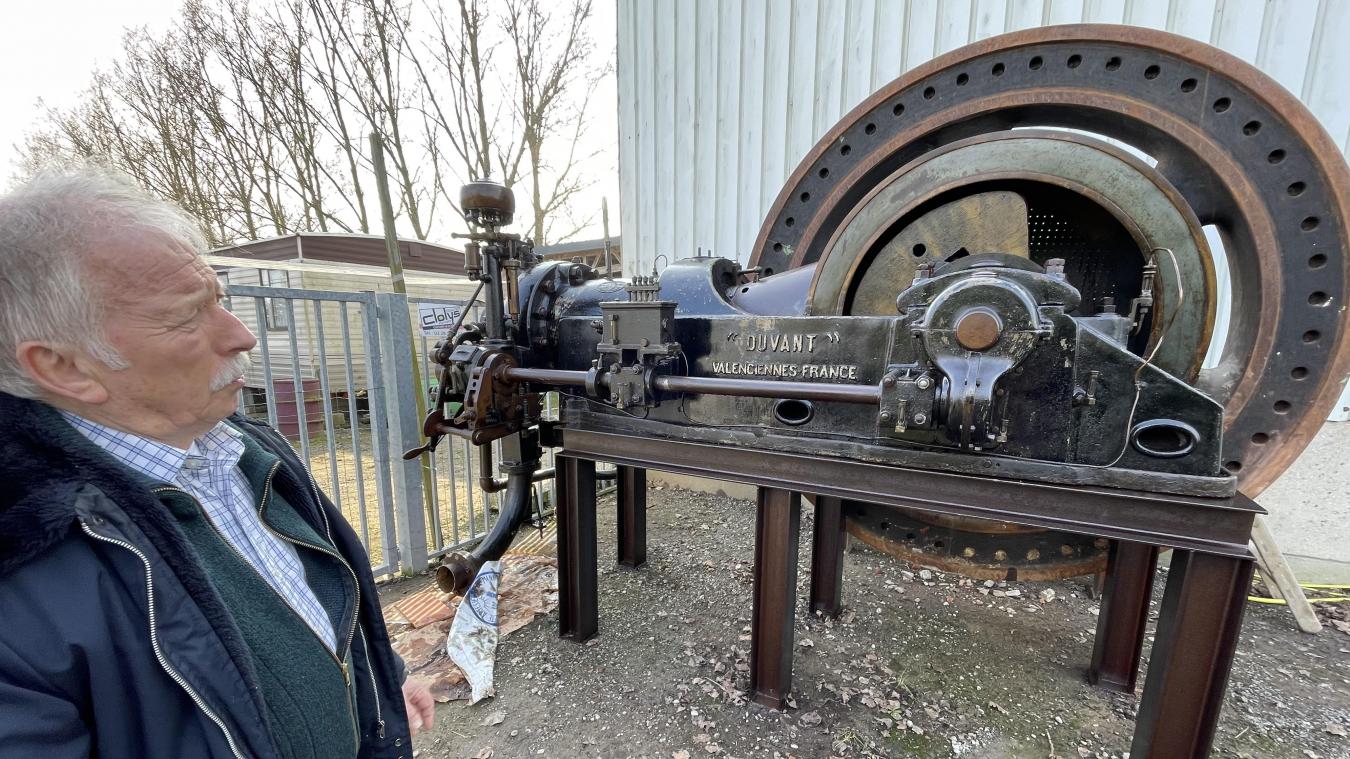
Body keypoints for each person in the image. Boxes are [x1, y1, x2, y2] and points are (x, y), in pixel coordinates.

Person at [0, 167, 434, 758]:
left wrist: (381, 683)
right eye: (186, 317)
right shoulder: (23, 571)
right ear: (64, 368)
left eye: (220, 301)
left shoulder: (240, 449)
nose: (240, 336)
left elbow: (315, 602)